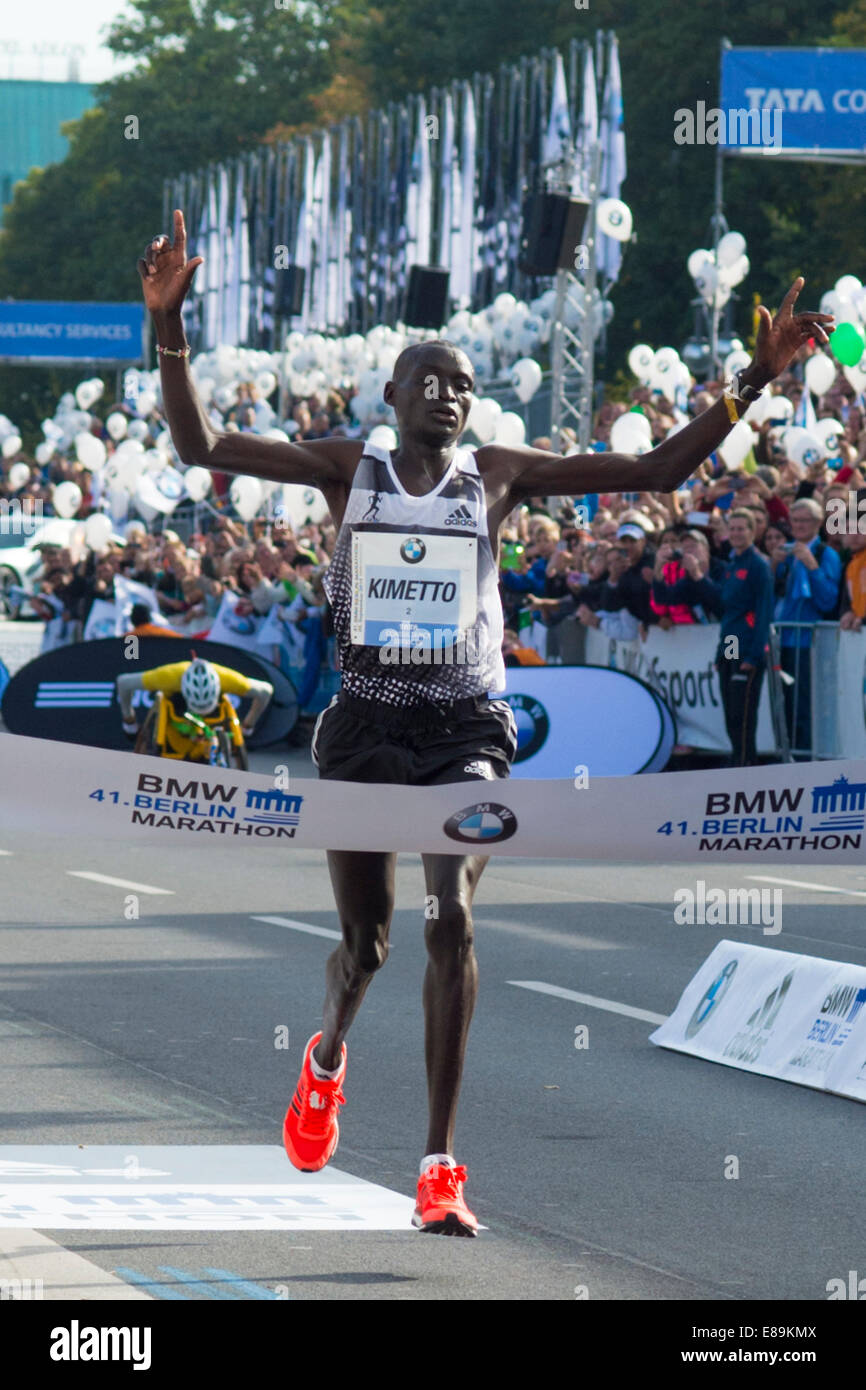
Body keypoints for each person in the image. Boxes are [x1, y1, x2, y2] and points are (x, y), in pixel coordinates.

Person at [139, 210, 832, 1236]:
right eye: (433, 379)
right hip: (362, 727)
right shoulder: (347, 469)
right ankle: (326, 1051)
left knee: (452, 915)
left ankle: (437, 1163)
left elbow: (654, 474)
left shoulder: (500, 476)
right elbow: (199, 442)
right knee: (366, 947)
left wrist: (753, 379)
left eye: (464, 383)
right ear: (392, 396)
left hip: (466, 725)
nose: (452, 394)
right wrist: (169, 323)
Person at [767, 497, 842, 756]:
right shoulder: (786, 552)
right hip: (782, 642)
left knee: (805, 707)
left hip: (808, 645)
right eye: (794, 520)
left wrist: (812, 566)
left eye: (804, 521)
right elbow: (772, 594)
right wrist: (773, 565)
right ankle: (788, 757)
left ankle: (806, 758)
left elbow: (828, 600)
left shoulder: (825, 554)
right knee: (783, 706)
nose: (798, 526)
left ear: (818, 522)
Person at [708, 509, 774, 767]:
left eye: (741, 528)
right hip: (731, 645)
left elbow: (763, 612)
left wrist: (755, 654)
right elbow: (729, 615)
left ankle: (746, 765)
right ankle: (738, 761)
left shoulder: (758, 566)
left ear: (752, 531)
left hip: (747, 646)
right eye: (732, 528)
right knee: (730, 713)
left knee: (743, 713)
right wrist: (721, 654)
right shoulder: (732, 565)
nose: (736, 533)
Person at [116, 655, 273, 751]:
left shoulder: (227, 678)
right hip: (176, 715)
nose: (201, 713)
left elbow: (266, 691)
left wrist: (247, 725)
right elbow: (123, 682)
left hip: (213, 718)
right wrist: (129, 719)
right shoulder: (168, 676)